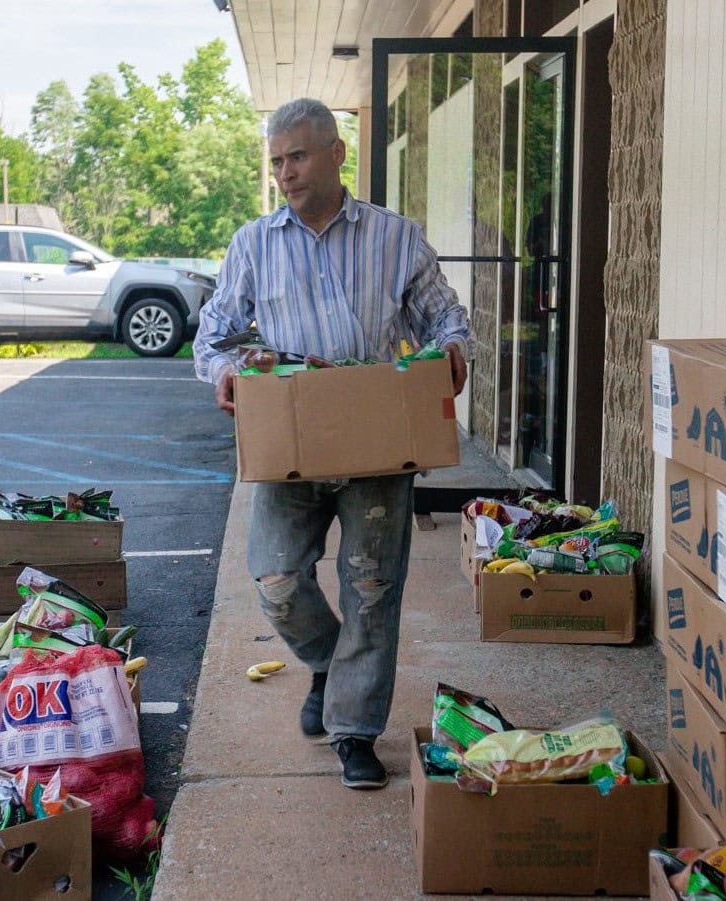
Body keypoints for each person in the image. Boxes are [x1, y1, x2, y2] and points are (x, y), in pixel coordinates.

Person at [193, 97, 472, 790]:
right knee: (277, 580)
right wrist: (225, 371)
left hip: (376, 439)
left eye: (298, 156)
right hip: (290, 437)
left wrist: (455, 348)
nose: (285, 172)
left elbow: (442, 314)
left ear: (336, 152)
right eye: (277, 160)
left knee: (372, 586)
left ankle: (354, 729)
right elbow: (215, 332)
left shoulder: (394, 236)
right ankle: (326, 661)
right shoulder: (253, 243)